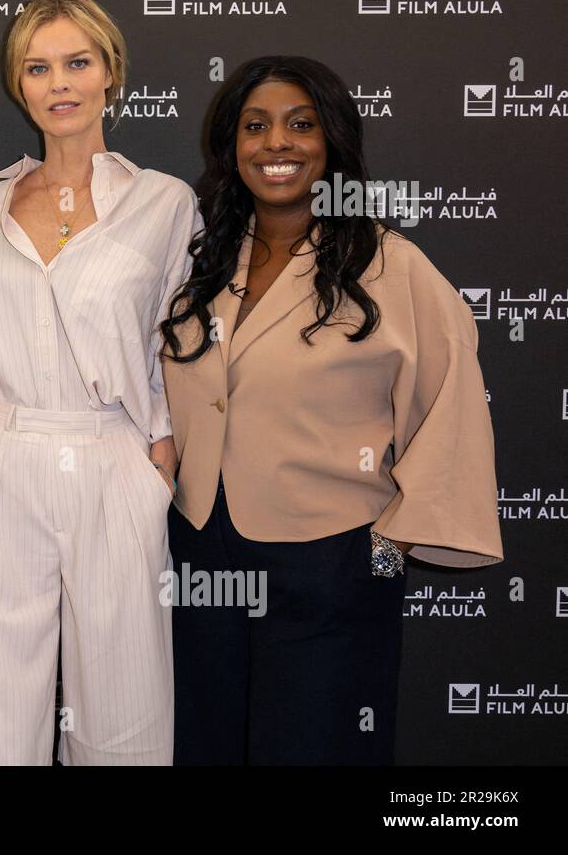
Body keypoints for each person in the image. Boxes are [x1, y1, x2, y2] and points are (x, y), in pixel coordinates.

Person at [160, 55, 503, 765]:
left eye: (300, 124)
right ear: (231, 145)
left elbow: (453, 408)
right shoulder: (202, 264)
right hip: (202, 556)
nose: (275, 144)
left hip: (330, 563)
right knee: (208, 744)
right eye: (255, 126)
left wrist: (381, 555)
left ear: (333, 142)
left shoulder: (389, 264)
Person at [0, 0, 200, 765]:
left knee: (124, 702)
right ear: (19, 86)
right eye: (38, 67)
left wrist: (159, 458)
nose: (59, 82)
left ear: (110, 75)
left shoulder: (164, 202)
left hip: (112, 455)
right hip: (1, 451)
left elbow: (175, 344)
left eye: (77, 63)